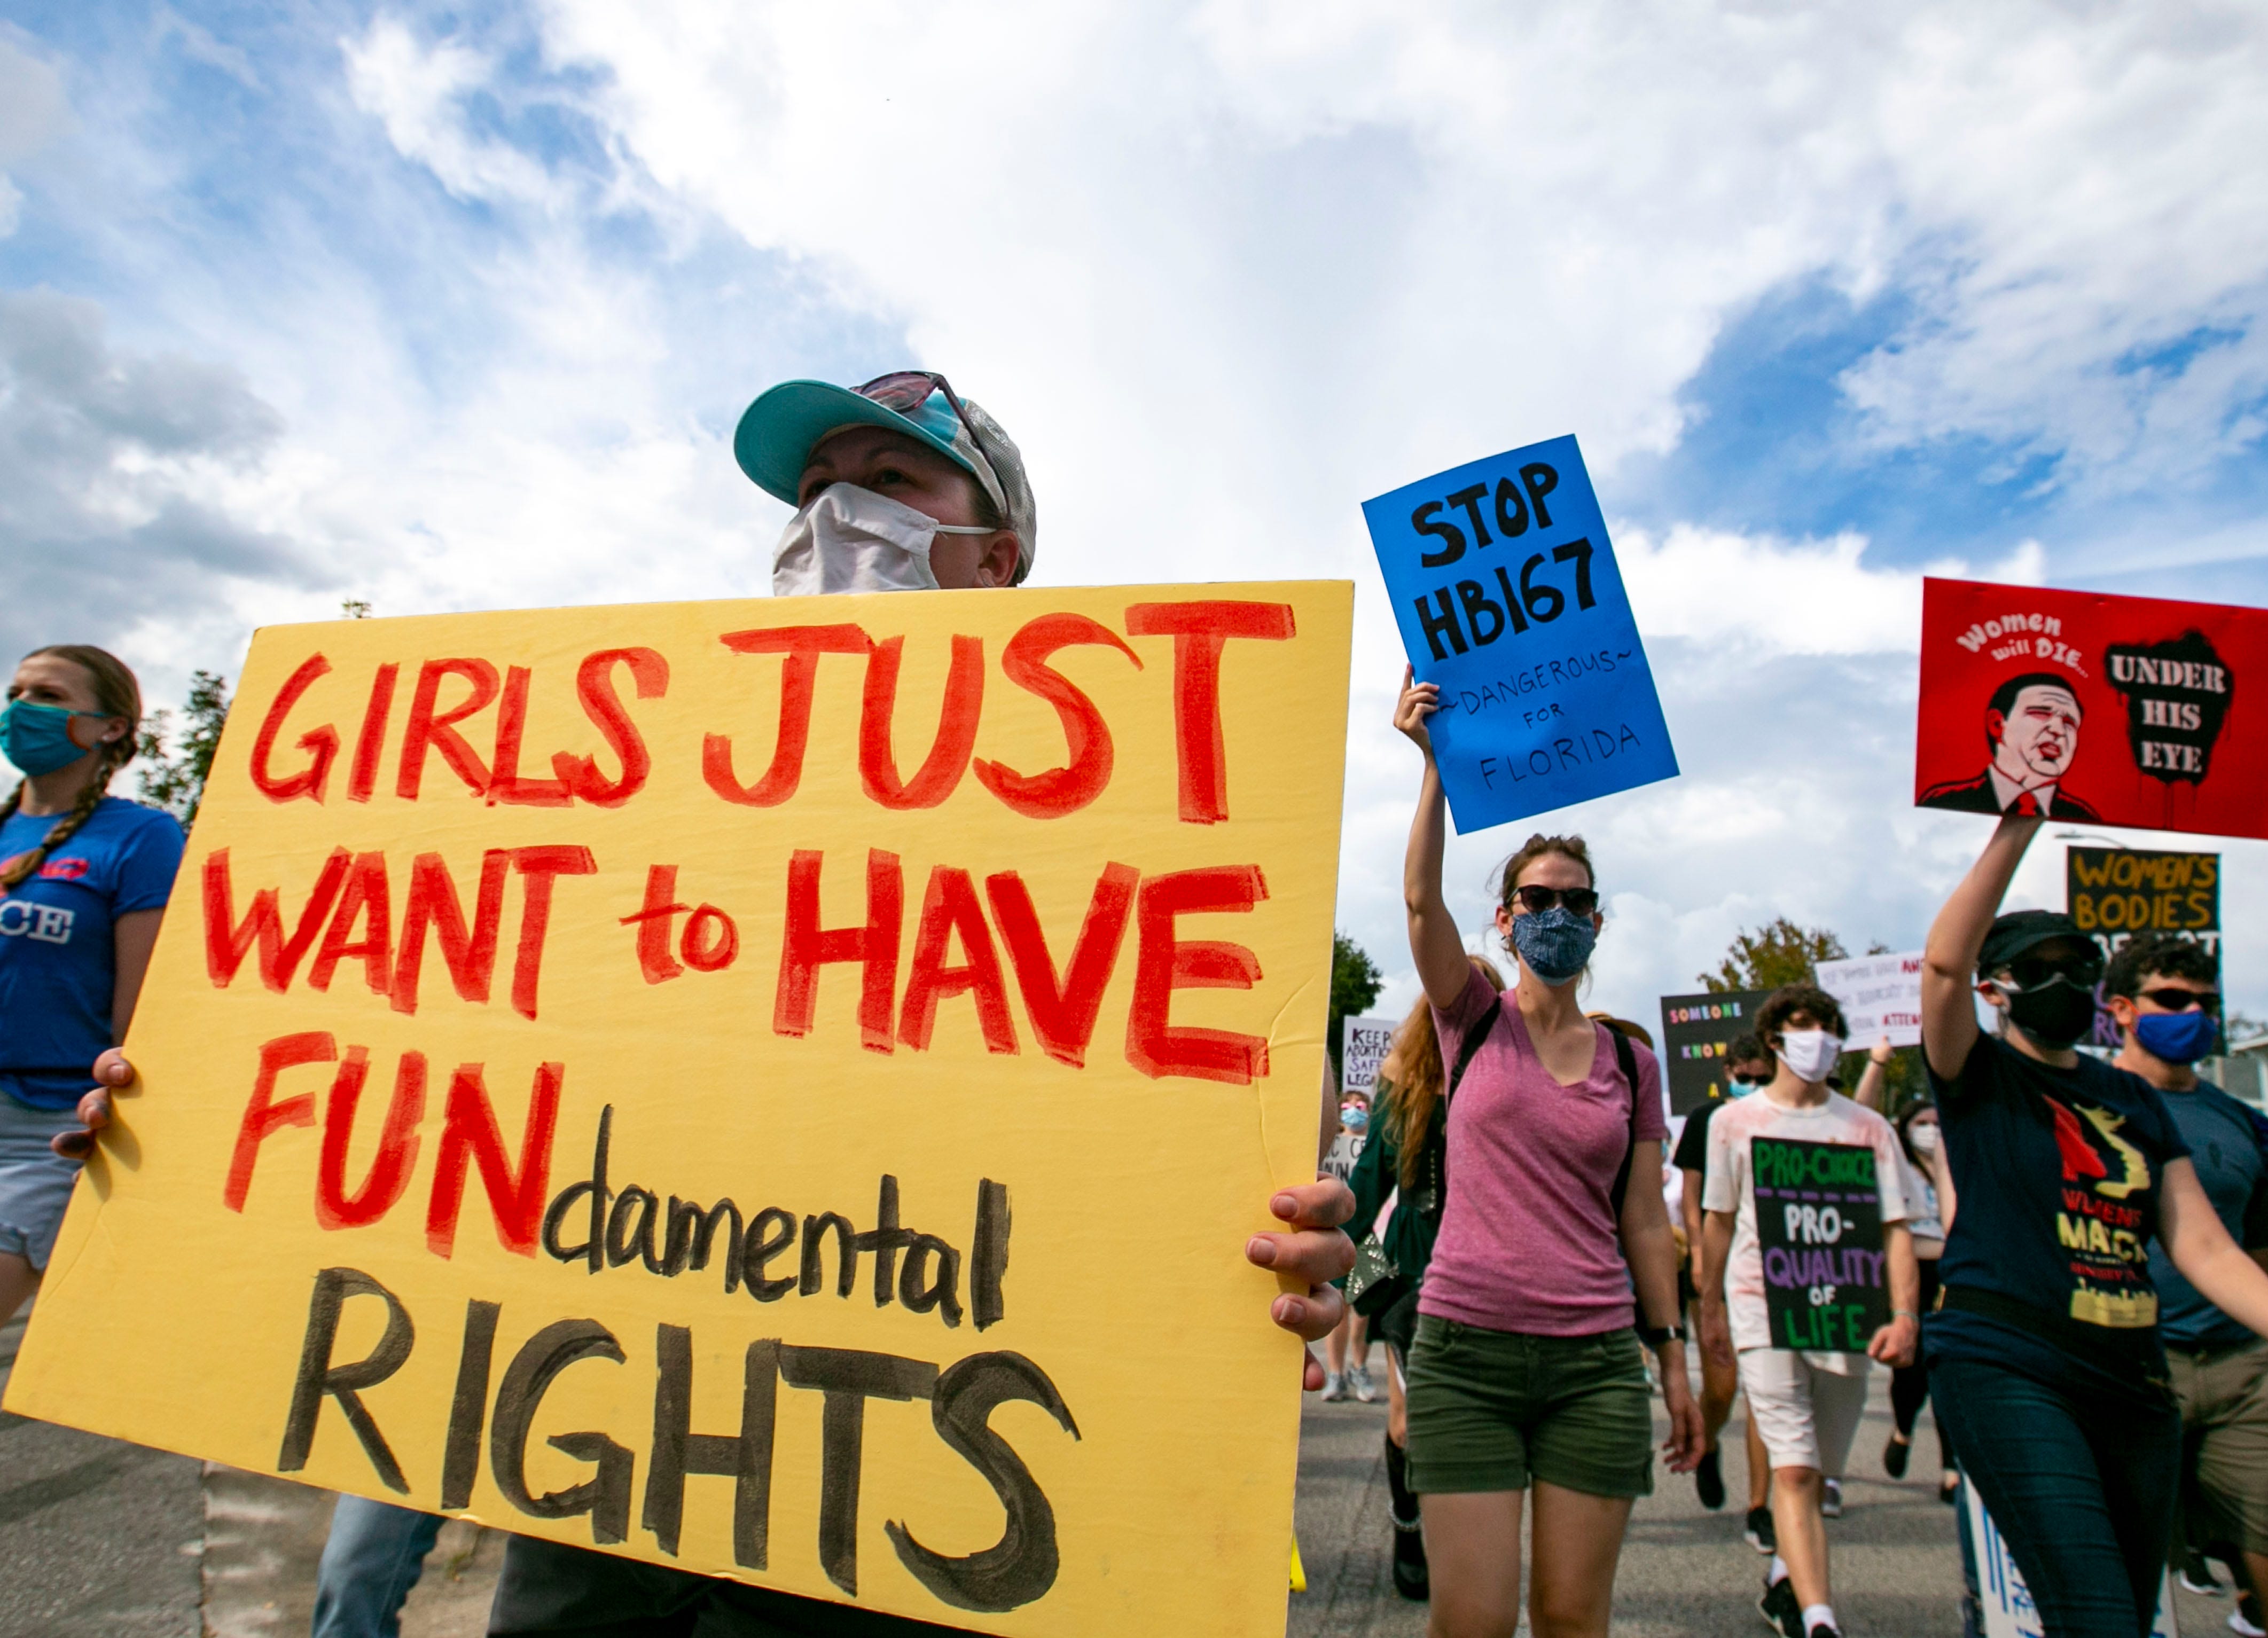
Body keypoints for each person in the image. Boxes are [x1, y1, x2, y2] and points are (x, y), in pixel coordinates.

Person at [56, 373, 1360, 1638]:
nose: (836, 512)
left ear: (996, 555)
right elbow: (475, 1034)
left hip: (910, 1483)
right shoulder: (666, 794)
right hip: (609, 1456)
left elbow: (1242, 1091)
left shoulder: (1142, 798)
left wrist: (1280, 1227)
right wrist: (192, 1107)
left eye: (890, 479)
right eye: (814, 488)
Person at [1918, 815, 2268, 1638]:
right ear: (1996, 989)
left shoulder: (2131, 1097)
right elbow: (1945, 963)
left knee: (2127, 1616)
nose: (2063, 981)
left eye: (2078, 966)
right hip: (2010, 1364)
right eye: (2038, 969)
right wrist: (2021, 823)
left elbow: (2204, 1245)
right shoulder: (1978, 1075)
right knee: (2094, 1615)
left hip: (2131, 1377)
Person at [1393, 665, 1704, 1638]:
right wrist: (1435, 769)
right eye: (1537, 898)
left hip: (1595, 1365)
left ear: (1598, 920)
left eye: (1576, 901)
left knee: (1573, 1618)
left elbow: (1645, 1219)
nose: (1556, 915)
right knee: (1473, 1621)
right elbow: (1419, 905)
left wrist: (1673, 1355)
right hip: (1465, 1356)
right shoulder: (1471, 1017)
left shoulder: (1631, 1061)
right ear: (1507, 915)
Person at [2100, 932, 2268, 1638]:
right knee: (2116, 1594)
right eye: (2171, 999)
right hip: (2124, 1368)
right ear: (2121, 1008)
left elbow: (2265, 1248)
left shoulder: (2246, 1125)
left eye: (2205, 1003)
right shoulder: (2080, 1104)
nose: (2192, 1014)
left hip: (2242, 1373)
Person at [1698, 985, 1918, 1638]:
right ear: (1774, 1038)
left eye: (1827, 1027)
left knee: (1819, 1471)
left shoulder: (1868, 1129)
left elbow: (1895, 1227)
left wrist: (1904, 1314)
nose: (1816, 1037)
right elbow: (1717, 1219)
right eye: (1802, 1025)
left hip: (1846, 1313)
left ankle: (1783, 1582)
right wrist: (1709, 1306)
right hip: (1762, 1310)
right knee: (1792, 1466)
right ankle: (1819, 1618)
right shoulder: (1732, 1124)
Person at [0, 645, 178, 1326]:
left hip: (41, 1131)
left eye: (47, 696)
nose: (21, 709)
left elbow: (141, 1019)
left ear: (111, 727)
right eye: (16, 692)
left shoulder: (142, 837)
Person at [1345, 955, 1508, 1604]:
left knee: (1478, 1423)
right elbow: (1365, 1189)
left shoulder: (1516, 1085)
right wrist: (1351, 1275)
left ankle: (1464, 1539)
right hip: (1412, 1275)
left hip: (1494, 1278)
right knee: (1409, 1421)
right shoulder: (1401, 1089)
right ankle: (1408, 1527)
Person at [1675, 1035, 1778, 1542]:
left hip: (1771, 1268)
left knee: (1765, 1391)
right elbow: (1692, 1194)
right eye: (1745, 1077)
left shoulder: (1783, 1119)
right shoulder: (1707, 1119)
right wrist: (1698, 1251)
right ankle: (1709, 1440)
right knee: (1723, 1384)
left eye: (1763, 1078)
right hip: (1715, 1262)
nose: (1753, 1085)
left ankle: (1761, 1506)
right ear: (1728, 1071)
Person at [1881, 1098, 1954, 1500]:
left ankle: (1950, 1468)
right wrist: (1877, 1067)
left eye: (1937, 1123)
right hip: (1912, 1276)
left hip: (1951, 1276)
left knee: (1947, 1369)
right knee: (1912, 1370)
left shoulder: (1954, 1168)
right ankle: (1903, 1428)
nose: (1931, 1130)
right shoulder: (1900, 1170)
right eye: (1922, 1123)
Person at [1918, 675, 2101, 821]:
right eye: (2041, 713)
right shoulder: (1946, 802)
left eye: (2070, 722)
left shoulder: (2084, 818)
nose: (2059, 730)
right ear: (1998, 724)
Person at [1321, 1088, 1381, 1402]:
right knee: (1338, 1306)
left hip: (1372, 1237)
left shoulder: (1377, 1146)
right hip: (1335, 1233)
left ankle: (1360, 1367)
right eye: (1347, 1106)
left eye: (1360, 1106)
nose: (1354, 1111)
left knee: (1363, 1309)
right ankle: (1336, 1374)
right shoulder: (1331, 1147)